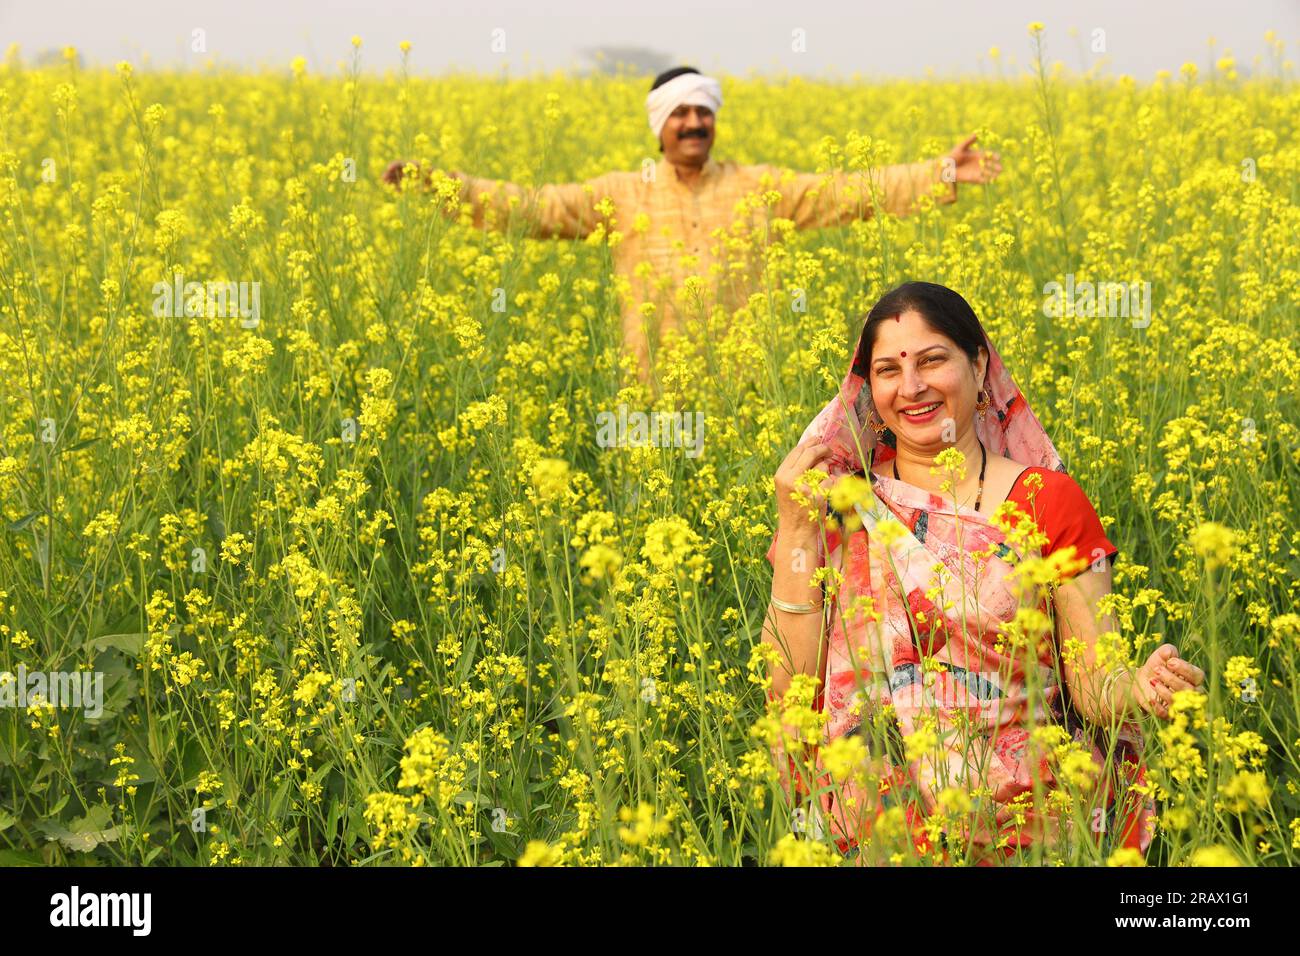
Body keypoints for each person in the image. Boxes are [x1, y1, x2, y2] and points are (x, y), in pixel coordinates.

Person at [762, 281, 1206, 865]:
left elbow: (1094, 682)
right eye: (888, 369)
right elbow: (787, 687)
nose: (912, 387)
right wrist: (796, 527)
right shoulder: (843, 508)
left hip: (1032, 828)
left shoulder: (1049, 500)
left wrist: (1140, 688)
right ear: (868, 391)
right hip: (885, 835)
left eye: (932, 360)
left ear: (979, 365)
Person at [383, 68, 1002, 390]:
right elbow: (533, 208)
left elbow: (851, 193)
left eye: (703, 111)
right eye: (679, 112)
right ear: (659, 125)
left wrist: (940, 171)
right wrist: (443, 186)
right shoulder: (622, 194)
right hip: (652, 393)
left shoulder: (758, 186)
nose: (693, 123)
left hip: (745, 390)